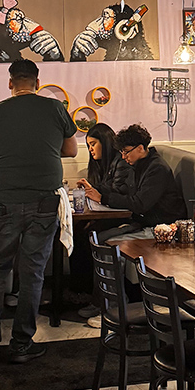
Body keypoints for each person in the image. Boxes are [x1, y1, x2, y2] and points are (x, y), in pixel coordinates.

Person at [0, 58, 78, 364]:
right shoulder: (55, 108)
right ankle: (20, 345)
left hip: (5, 200)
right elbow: (71, 150)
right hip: (44, 201)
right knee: (32, 273)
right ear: (37, 82)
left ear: (10, 83)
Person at [83, 122, 186, 241]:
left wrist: (102, 198)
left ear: (140, 148)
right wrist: (95, 189)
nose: (123, 156)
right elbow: (125, 191)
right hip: (143, 221)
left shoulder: (157, 168)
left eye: (126, 151)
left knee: (102, 239)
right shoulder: (137, 164)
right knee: (94, 233)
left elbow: (139, 204)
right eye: (121, 152)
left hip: (162, 228)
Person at [67, 123, 132, 298]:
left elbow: (117, 191)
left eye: (93, 144)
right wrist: (91, 189)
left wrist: (94, 191)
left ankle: (87, 293)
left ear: (105, 142)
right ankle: (80, 290)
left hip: (127, 217)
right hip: (111, 213)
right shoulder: (104, 164)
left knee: (88, 234)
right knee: (78, 231)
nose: (90, 149)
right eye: (88, 145)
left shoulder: (121, 161)